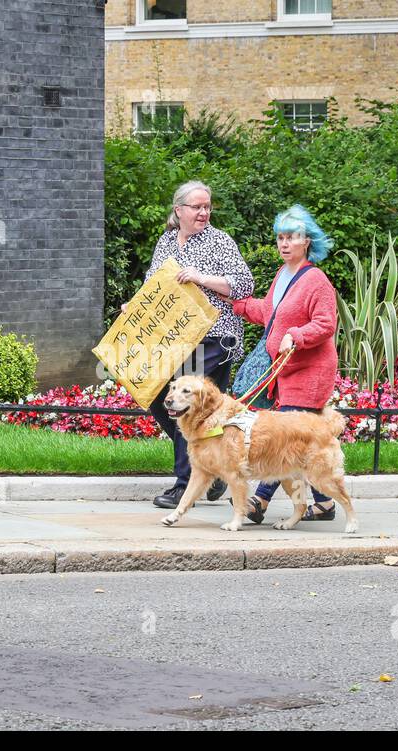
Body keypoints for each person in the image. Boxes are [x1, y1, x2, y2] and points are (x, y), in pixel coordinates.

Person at [132, 180, 254, 509]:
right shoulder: (167, 242)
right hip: (175, 337)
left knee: (185, 400)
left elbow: (243, 284)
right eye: (197, 207)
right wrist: (136, 306)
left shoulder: (219, 241)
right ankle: (211, 472)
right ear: (179, 210)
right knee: (160, 396)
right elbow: (152, 284)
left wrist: (200, 277)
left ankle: (186, 483)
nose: (204, 212)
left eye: (207, 206)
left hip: (216, 337)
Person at [230, 205, 340, 522]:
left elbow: (325, 323)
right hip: (287, 371)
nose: (284, 243)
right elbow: (270, 312)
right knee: (303, 442)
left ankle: (259, 502)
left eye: (291, 237)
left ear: (307, 241)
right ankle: (324, 503)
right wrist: (237, 306)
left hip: (309, 372)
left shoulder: (316, 279)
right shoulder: (283, 275)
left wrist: (297, 335)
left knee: (285, 438)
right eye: (280, 237)